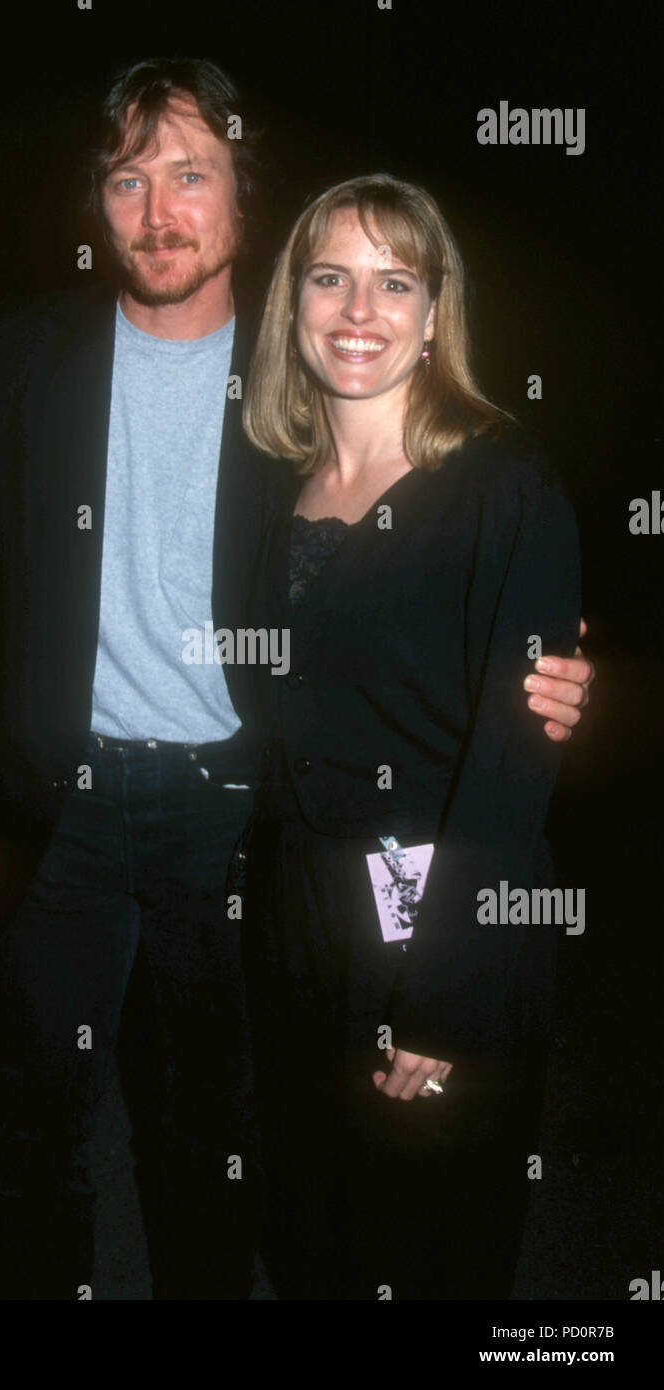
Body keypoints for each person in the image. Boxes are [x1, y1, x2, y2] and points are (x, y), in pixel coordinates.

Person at [0, 62, 592, 1301]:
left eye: (189, 174)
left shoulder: (294, 387)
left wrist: (537, 646)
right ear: (95, 204)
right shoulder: (18, 358)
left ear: (239, 197)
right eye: (127, 178)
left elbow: (413, 550)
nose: (159, 210)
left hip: (231, 819)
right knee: (24, 1129)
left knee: (220, 1144)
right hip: (49, 803)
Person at [239, 172, 584, 1300]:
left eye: (395, 282)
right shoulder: (270, 490)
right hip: (299, 915)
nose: (357, 311)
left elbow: (512, 757)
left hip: (443, 921)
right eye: (329, 277)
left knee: (427, 1240)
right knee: (313, 1227)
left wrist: (441, 990)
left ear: (435, 313)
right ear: (291, 301)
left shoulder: (501, 481)